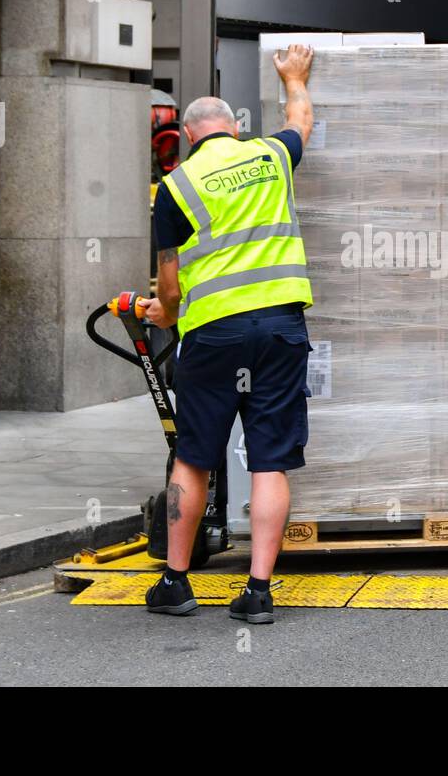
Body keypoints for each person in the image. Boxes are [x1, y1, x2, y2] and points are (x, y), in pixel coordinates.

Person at [137, 44, 316, 625]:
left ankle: (176, 582)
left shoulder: (176, 187)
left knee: (192, 458)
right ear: (235, 127)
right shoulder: (271, 155)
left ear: (190, 138)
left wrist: (164, 313)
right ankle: (259, 592)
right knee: (269, 461)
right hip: (281, 328)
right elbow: (301, 122)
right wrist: (293, 77)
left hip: (213, 337)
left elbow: (168, 286)